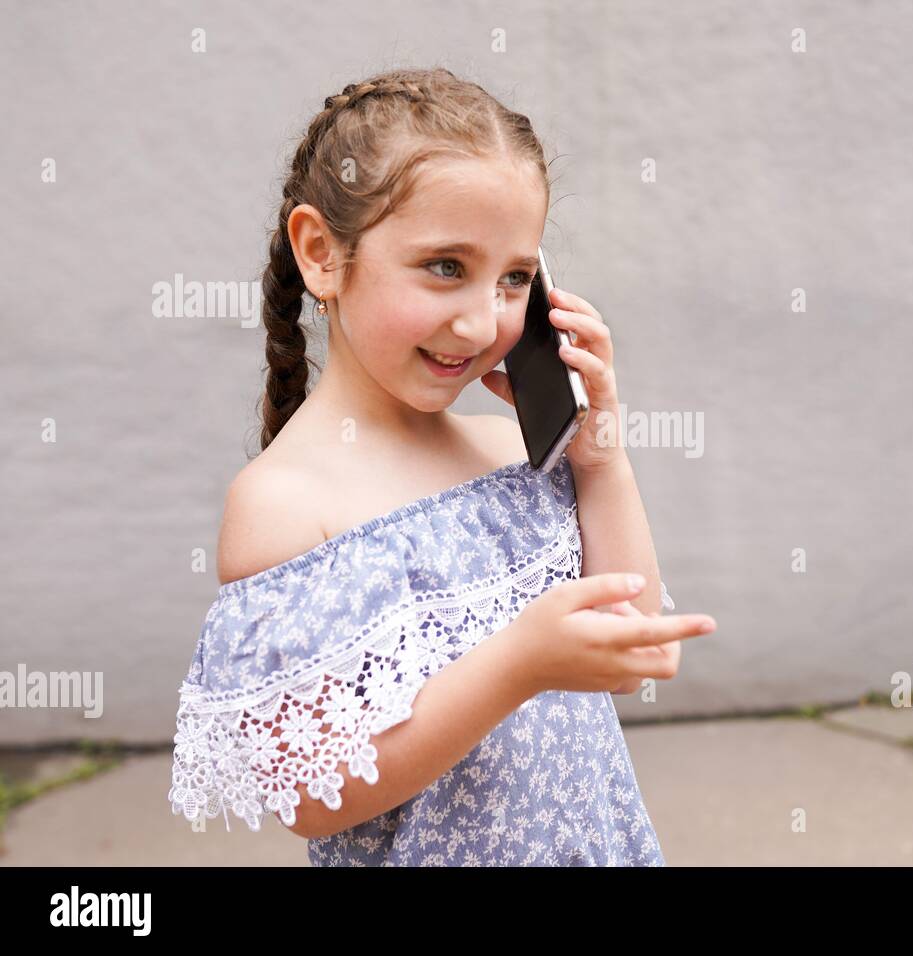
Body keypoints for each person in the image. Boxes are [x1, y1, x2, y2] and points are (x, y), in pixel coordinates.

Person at [166, 66, 716, 866]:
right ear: (323, 253)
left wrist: (601, 460)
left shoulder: (511, 455)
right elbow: (315, 799)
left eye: (515, 278)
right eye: (446, 266)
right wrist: (517, 664)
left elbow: (630, 660)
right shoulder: (285, 505)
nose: (482, 318)